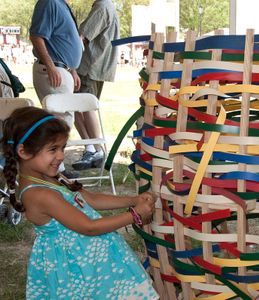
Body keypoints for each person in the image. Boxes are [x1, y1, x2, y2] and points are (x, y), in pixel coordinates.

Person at [1, 106, 159, 299]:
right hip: (75, 267)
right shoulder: (39, 194)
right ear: (24, 152)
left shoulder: (50, 177)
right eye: (53, 149)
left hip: (89, 261)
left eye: (62, 148)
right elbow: (89, 227)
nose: (60, 156)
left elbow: (89, 198)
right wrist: (134, 215)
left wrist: (133, 200)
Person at [29, 0, 83, 178]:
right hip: (53, 71)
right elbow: (37, 36)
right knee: (59, 122)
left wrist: (72, 69)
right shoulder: (49, 2)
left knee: (63, 120)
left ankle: (55, 169)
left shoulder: (60, 3)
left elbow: (63, 40)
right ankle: (55, 170)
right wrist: (51, 65)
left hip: (62, 70)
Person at [72, 0, 120, 170]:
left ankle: (96, 150)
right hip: (94, 68)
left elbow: (81, 38)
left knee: (85, 107)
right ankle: (91, 147)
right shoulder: (106, 6)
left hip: (89, 67)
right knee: (76, 108)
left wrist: (71, 65)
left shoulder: (102, 7)